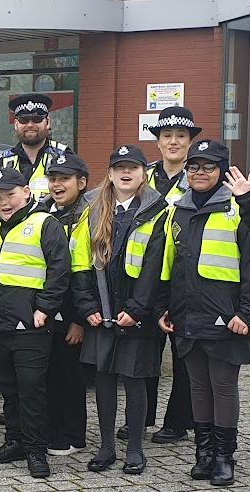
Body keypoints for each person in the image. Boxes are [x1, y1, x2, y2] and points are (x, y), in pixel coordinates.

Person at [158, 141, 250, 486]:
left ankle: (225, 457)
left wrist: (246, 312)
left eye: (208, 167)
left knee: (223, 387)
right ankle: (204, 453)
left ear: (222, 172)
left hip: (227, 317)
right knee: (198, 386)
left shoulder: (238, 208)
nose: (199, 172)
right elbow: (170, 265)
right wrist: (165, 307)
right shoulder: (177, 210)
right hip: (186, 314)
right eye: (194, 166)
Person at [73, 145, 168, 475]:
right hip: (101, 312)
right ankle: (107, 448)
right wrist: (86, 307)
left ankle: (135, 450)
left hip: (135, 314)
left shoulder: (158, 211)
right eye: (119, 168)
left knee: (135, 380)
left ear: (144, 174)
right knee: (104, 380)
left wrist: (138, 309)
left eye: (133, 168)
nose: (125, 173)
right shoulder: (92, 210)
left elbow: (154, 266)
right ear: (110, 174)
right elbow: (80, 263)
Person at [0, 167, 70, 478]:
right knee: (8, 388)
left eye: (10, 195)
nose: (4, 203)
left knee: (31, 388)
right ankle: (14, 440)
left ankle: (36, 449)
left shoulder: (45, 223)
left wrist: (45, 308)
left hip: (31, 324)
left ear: (26, 193)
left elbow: (59, 269)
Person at [129, 106, 202, 444]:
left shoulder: (201, 177)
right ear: (157, 141)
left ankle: (177, 422)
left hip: (184, 279)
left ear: (190, 141)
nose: (173, 142)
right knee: (145, 352)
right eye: (167, 136)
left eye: (181, 136)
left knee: (183, 354)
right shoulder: (144, 175)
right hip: (145, 276)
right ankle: (140, 418)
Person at [37, 152, 90, 456]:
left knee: (70, 375)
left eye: (64, 179)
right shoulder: (44, 214)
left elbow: (90, 272)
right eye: (53, 179)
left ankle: (73, 435)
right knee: (51, 372)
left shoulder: (89, 215)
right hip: (48, 306)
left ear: (81, 182)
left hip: (73, 310)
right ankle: (52, 429)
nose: (57, 185)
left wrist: (80, 320)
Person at [0, 93, 72, 203]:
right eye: (24, 120)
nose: (30, 125)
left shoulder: (64, 155)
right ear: (16, 124)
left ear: (47, 122)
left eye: (36, 119)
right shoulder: (5, 162)